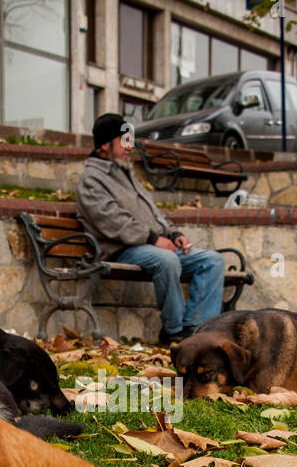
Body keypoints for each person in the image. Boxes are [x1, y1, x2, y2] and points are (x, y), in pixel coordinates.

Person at [76, 112, 226, 345]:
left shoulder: (125, 173)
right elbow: (112, 221)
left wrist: (174, 233)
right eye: (124, 140)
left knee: (213, 261)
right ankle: (173, 331)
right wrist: (153, 238)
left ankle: (197, 330)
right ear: (105, 144)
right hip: (122, 249)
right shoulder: (91, 179)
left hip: (151, 245)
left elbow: (154, 212)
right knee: (166, 260)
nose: (130, 146)